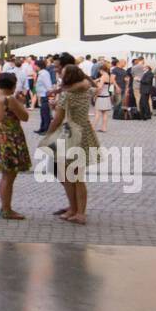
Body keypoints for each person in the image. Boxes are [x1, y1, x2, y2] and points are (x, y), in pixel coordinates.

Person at [39, 64, 100, 225]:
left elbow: (58, 119)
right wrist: (86, 78)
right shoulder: (86, 90)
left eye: (63, 73)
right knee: (72, 175)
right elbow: (97, 88)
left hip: (71, 134)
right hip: (85, 131)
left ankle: (79, 212)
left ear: (68, 78)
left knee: (73, 176)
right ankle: (75, 209)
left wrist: (48, 135)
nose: (60, 75)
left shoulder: (67, 95)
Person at [0, 72, 32, 220]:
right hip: (11, 139)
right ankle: (7, 209)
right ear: (12, 85)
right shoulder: (9, 99)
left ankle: (4, 207)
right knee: (9, 176)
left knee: (5, 176)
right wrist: (21, 102)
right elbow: (24, 117)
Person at [33, 61, 54, 133]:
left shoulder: (44, 74)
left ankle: (46, 129)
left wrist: (50, 97)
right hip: (42, 96)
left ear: (38, 66)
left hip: (45, 96)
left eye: (34, 66)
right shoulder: (41, 73)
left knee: (46, 114)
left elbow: (48, 86)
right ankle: (42, 128)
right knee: (43, 113)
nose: (34, 67)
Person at [92, 62, 113, 133]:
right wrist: (97, 80)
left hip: (101, 96)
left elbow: (99, 87)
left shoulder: (103, 76)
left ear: (101, 70)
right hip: (106, 96)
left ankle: (92, 128)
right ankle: (104, 128)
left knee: (97, 113)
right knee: (104, 113)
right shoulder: (107, 75)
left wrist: (95, 95)